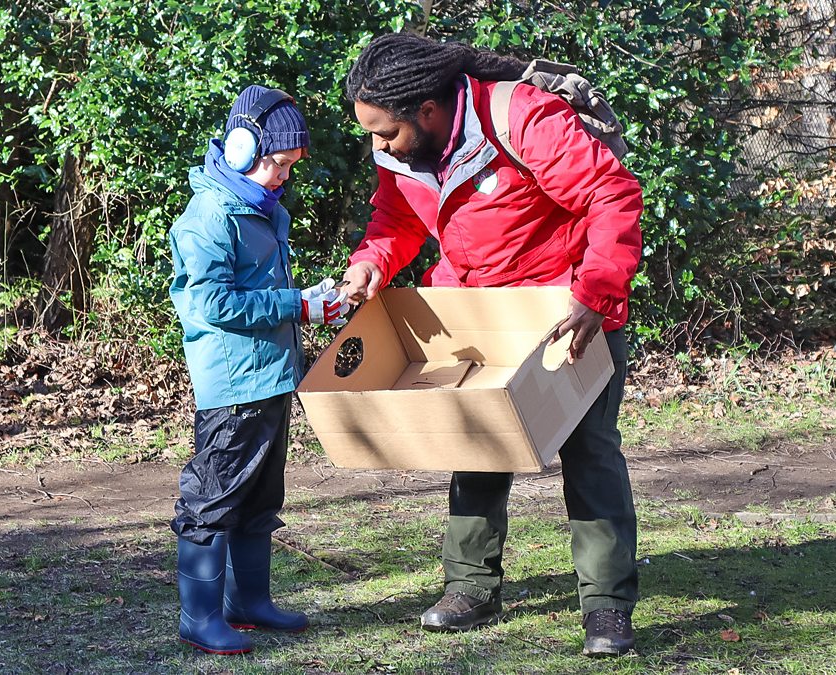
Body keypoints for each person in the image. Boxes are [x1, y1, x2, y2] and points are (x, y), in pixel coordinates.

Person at [341, 34, 644, 657]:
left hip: (569, 311)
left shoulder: (525, 117)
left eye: (384, 133)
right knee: (477, 443)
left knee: (589, 455)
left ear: (427, 110)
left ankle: (607, 607)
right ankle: (470, 588)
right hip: (475, 310)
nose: (378, 146)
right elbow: (395, 219)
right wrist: (372, 261)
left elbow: (610, 194)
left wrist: (596, 292)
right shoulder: (403, 146)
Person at [167, 84, 349, 655]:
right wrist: (297, 304)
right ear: (243, 150)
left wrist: (313, 298)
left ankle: (248, 602)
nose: (284, 177)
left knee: (259, 498)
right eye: (278, 164)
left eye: (291, 167)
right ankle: (199, 618)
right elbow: (210, 305)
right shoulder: (210, 218)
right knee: (213, 498)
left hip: (272, 377)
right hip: (233, 384)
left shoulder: (264, 209)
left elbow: (262, 290)